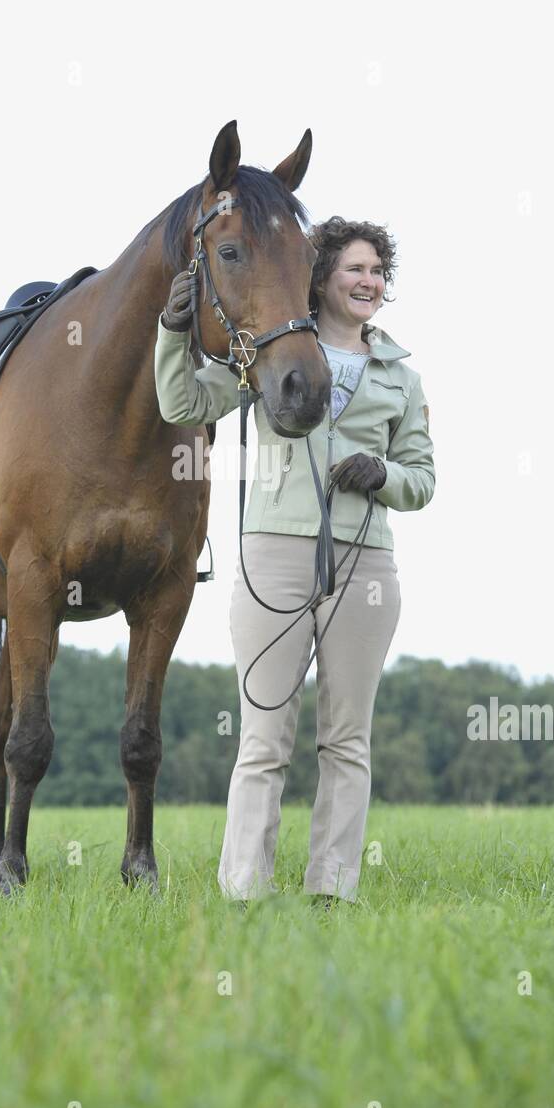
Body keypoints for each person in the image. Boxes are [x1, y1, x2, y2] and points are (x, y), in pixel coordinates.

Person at [154, 216, 435, 905]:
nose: (369, 282)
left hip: (366, 569)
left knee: (346, 740)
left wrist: (383, 475)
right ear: (321, 279)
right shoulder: (268, 352)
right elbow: (181, 400)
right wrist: (170, 330)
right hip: (273, 556)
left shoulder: (401, 376)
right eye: (354, 270)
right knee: (263, 737)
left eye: (377, 272)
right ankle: (245, 892)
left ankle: (332, 893)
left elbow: (422, 479)